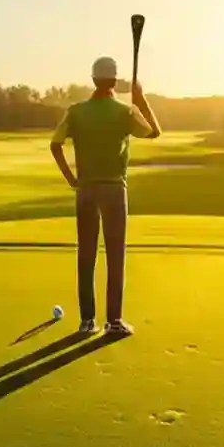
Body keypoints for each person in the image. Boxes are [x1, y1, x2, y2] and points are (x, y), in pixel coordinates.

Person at [50, 56, 162, 335]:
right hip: (114, 190)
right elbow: (154, 132)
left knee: (86, 255)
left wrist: (71, 179)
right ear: (114, 80)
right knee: (115, 256)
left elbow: (55, 146)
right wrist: (141, 98)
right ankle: (114, 322)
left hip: (85, 190)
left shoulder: (75, 111)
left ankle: (87, 322)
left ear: (92, 79)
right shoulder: (125, 111)